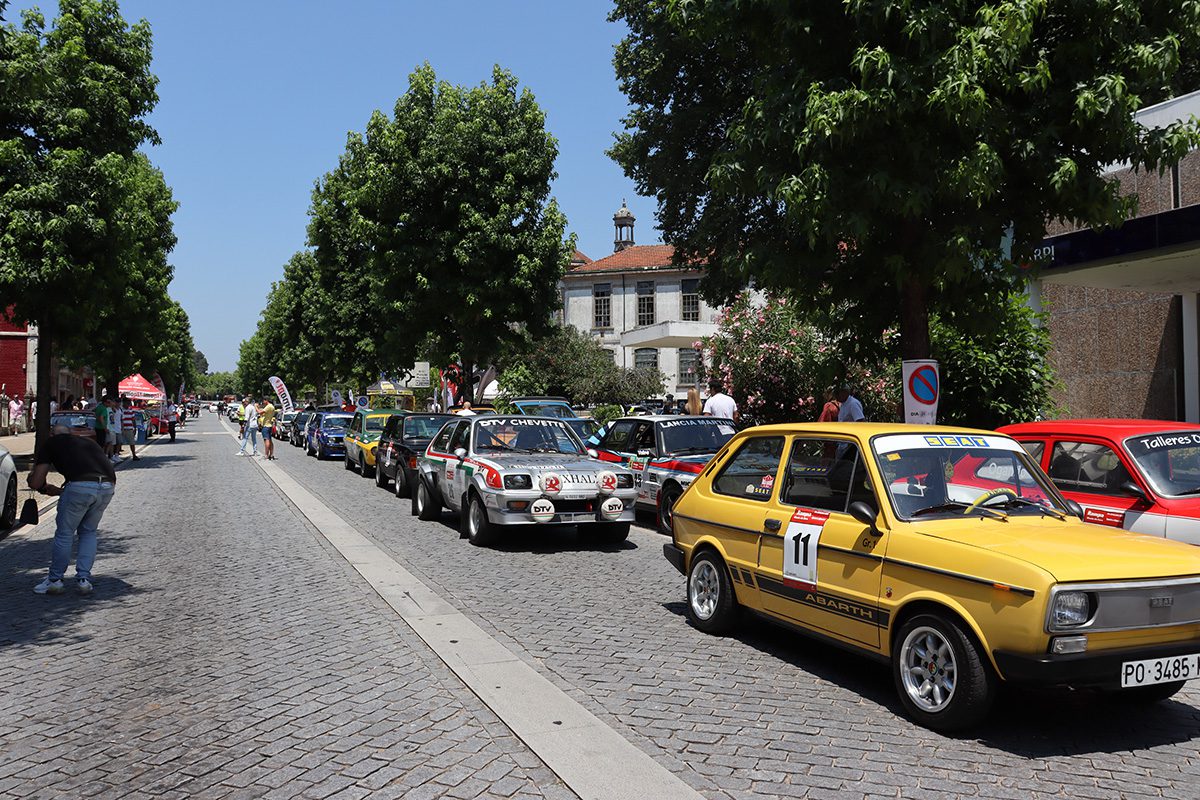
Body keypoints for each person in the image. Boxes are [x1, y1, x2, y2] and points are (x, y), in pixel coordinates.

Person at [29, 424, 116, 595]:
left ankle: (55, 580)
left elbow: (36, 483)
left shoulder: (51, 443)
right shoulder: (89, 443)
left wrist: (34, 480)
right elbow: (91, 480)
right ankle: (84, 579)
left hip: (79, 487)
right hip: (107, 486)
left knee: (65, 533)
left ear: (52, 433)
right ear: (71, 433)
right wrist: (62, 491)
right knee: (89, 532)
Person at [119, 397, 140, 461]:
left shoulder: (131, 410)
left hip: (129, 428)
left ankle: (134, 455)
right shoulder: (120, 410)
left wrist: (135, 428)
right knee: (119, 442)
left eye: (129, 403)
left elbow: (133, 420)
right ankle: (116, 455)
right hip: (121, 429)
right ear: (123, 403)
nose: (128, 404)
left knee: (132, 442)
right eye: (127, 403)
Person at [259, 394, 277, 460]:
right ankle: (271, 454)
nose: (263, 402)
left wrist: (256, 407)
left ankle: (266, 455)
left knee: (266, 440)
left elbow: (260, 412)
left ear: (266, 400)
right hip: (269, 425)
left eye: (263, 401)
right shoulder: (272, 406)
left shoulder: (268, 406)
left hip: (266, 426)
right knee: (270, 440)